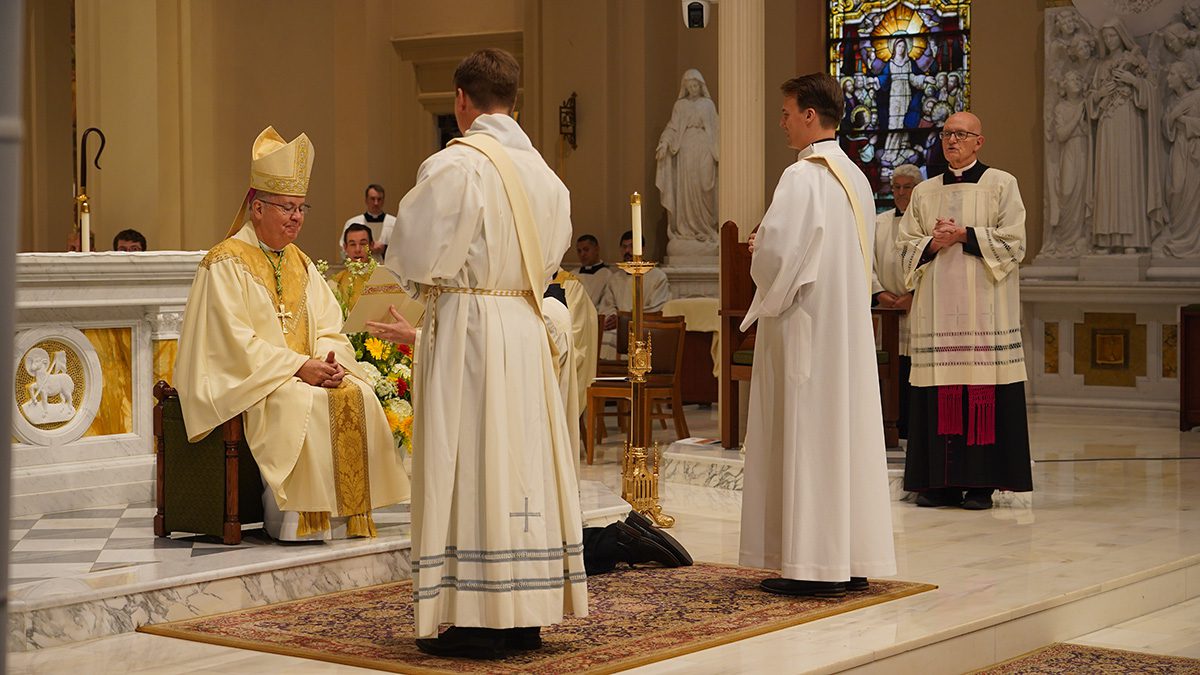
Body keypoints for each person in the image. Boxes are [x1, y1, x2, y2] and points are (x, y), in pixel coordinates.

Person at [384, 48, 586, 658]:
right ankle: (523, 613)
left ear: (461, 101)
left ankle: (476, 616)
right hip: (522, 327)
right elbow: (551, 259)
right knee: (518, 466)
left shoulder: (457, 166)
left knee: (471, 459)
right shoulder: (547, 177)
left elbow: (415, 254)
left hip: (472, 328)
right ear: (515, 102)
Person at [174, 127, 409, 542]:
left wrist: (330, 363)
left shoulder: (300, 263)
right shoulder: (224, 262)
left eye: (301, 208)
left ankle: (344, 514)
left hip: (302, 371)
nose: (296, 217)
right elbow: (230, 342)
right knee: (301, 401)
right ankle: (297, 521)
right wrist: (300, 367)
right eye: (286, 208)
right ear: (256, 207)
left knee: (358, 393)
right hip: (254, 381)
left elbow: (329, 324)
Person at [739, 73, 896, 598]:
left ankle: (809, 564)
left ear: (810, 115)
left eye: (786, 113)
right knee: (842, 439)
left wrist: (759, 249)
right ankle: (849, 558)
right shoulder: (854, 176)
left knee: (808, 438)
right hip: (845, 331)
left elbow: (780, 254)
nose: (781, 122)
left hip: (806, 327)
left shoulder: (802, 176)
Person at [897, 112, 1033, 511]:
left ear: (979, 141)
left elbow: (1014, 242)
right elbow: (904, 246)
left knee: (982, 390)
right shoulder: (924, 192)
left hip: (984, 310)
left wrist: (965, 235)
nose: (951, 141)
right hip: (937, 311)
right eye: (946, 134)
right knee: (936, 392)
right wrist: (934, 243)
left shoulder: (1002, 184)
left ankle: (980, 485)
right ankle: (937, 484)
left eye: (961, 134)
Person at [1087, 19, 1165, 253]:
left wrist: (1133, 82)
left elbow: (1152, 93)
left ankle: (1131, 240)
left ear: (1121, 37)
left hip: (1128, 122)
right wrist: (1099, 94)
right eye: (1106, 37)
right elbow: (1090, 99)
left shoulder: (1135, 61)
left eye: (1112, 36)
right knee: (1107, 178)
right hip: (1106, 126)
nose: (1109, 41)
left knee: (1126, 177)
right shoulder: (1101, 66)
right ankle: (1106, 238)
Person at [873, 164, 921, 439]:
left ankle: (914, 427)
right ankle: (890, 424)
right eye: (897, 187)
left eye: (907, 187)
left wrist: (913, 296)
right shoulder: (880, 223)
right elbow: (866, 261)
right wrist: (879, 292)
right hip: (887, 309)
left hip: (918, 306)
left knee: (914, 367)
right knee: (891, 369)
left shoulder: (926, 223)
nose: (901, 193)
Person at [655, 68, 720, 257]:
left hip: (705, 147)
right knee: (686, 191)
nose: (692, 88)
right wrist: (664, 143)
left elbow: (716, 128)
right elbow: (673, 128)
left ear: (701, 86)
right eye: (689, 86)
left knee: (705, 186)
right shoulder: (680, 106)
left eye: (695, 85)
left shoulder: (708, 105)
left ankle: (706, 229)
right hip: (684, 150)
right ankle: (688, 231)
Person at [597, 230, 671, 328]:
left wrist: (625, 319)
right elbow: (607, 306)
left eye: (632, 246)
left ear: (642, 249)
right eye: (624, 247)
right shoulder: (615, 279)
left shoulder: (658, 277)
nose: (627, 251)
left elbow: (657, 308)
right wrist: (613, 317)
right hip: (618, 329)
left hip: (646, 328)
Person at [327, 222, 374, 312]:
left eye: (363, 244)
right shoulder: (336, 282)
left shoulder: (382, 277)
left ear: (371, 245)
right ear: (345, 247)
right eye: (352, 244)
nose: (357, 249)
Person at [340, 184, 395, 256]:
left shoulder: (394, 223)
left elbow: (400, 248)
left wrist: (385, 249)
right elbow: (343, 249)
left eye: (379, 199)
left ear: (383, 200)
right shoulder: (352, 222)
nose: (376, 203)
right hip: (360, 265)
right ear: (366, 200)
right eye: (372, 199)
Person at [574, 234, 612, 308]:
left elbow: (606, 305)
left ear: (596, 249)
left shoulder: (607, 275)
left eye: (586, 250)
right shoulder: (573, 274)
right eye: (579, 251)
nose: (582, 254)